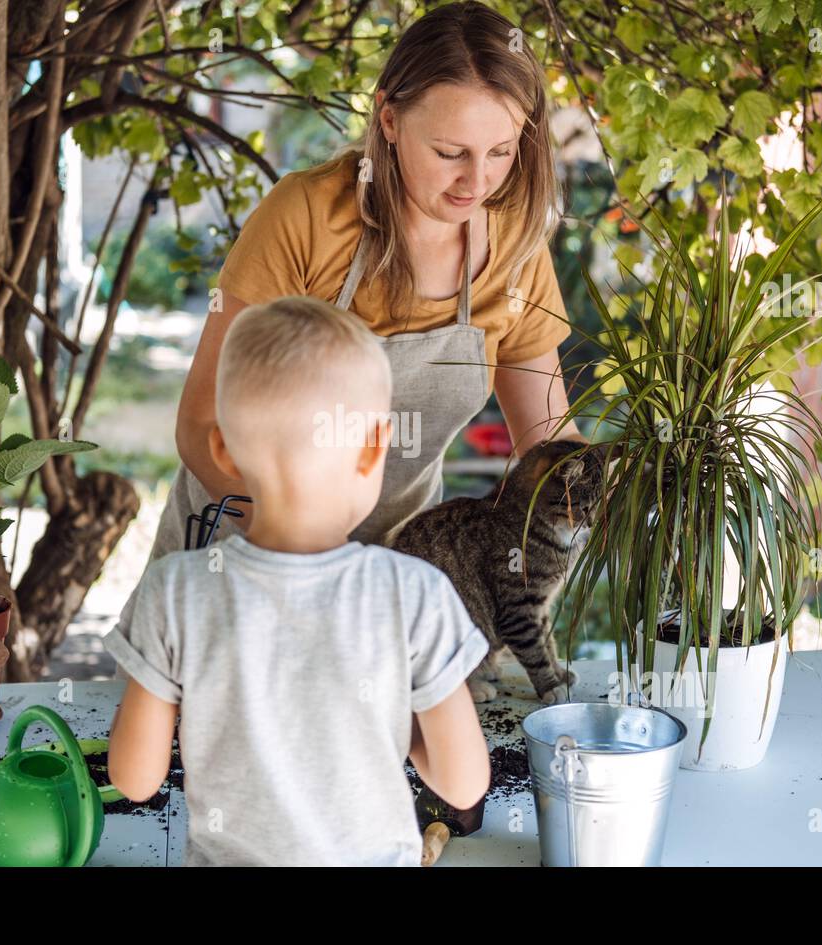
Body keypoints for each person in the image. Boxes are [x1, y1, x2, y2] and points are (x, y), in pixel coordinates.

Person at [148, 0, 580, 562]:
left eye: (501, 151)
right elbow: (201, 425)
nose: (477, 181)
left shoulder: (515, 244)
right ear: (390, 118)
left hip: (393, 567)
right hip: (242, 558)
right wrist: (302, 556)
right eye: (450, 153)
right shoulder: (308, 214)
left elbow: (548, 449)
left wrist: (623, 491)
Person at [103, 296, 491, 866]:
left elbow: (134, 779)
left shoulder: (175, 591)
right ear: (373, 451)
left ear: (222, 452)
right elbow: (463, 784)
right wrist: (393, 724)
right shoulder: (416, 593)